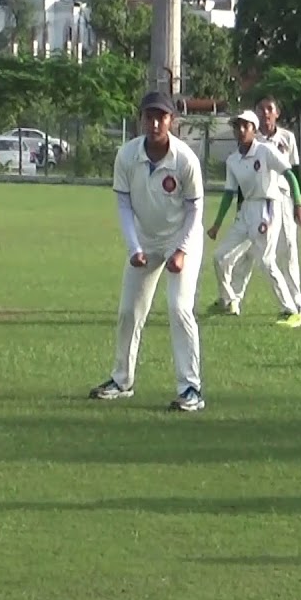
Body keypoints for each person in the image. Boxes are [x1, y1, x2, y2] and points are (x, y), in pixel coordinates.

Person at [89, 91, 206, 412]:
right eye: (149, 117)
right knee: (129, 311)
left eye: (161, 117)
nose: (154, 123)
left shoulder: (185, 160)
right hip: (146, 240)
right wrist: (134, 247)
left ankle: (191, 388)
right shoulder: (127, 156)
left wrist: (181, 250)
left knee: (179, 307)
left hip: (183, 238)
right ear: (141, 119)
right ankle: (122, 380)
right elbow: (124, 204)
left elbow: (196, 209)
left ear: (172, 121)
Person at [207, 109, 301, 327]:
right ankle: (229, 299)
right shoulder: (233, 160)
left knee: (266, 261)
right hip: (245, 211)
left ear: (254, 129)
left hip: (267, 207)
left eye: (246, 126)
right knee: (220, 257)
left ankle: (292, 311)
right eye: (237, 126)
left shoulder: (265, 150)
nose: (241, 130)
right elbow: (228, 193)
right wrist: (217, 224)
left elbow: (289, 173)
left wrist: (298, 202)